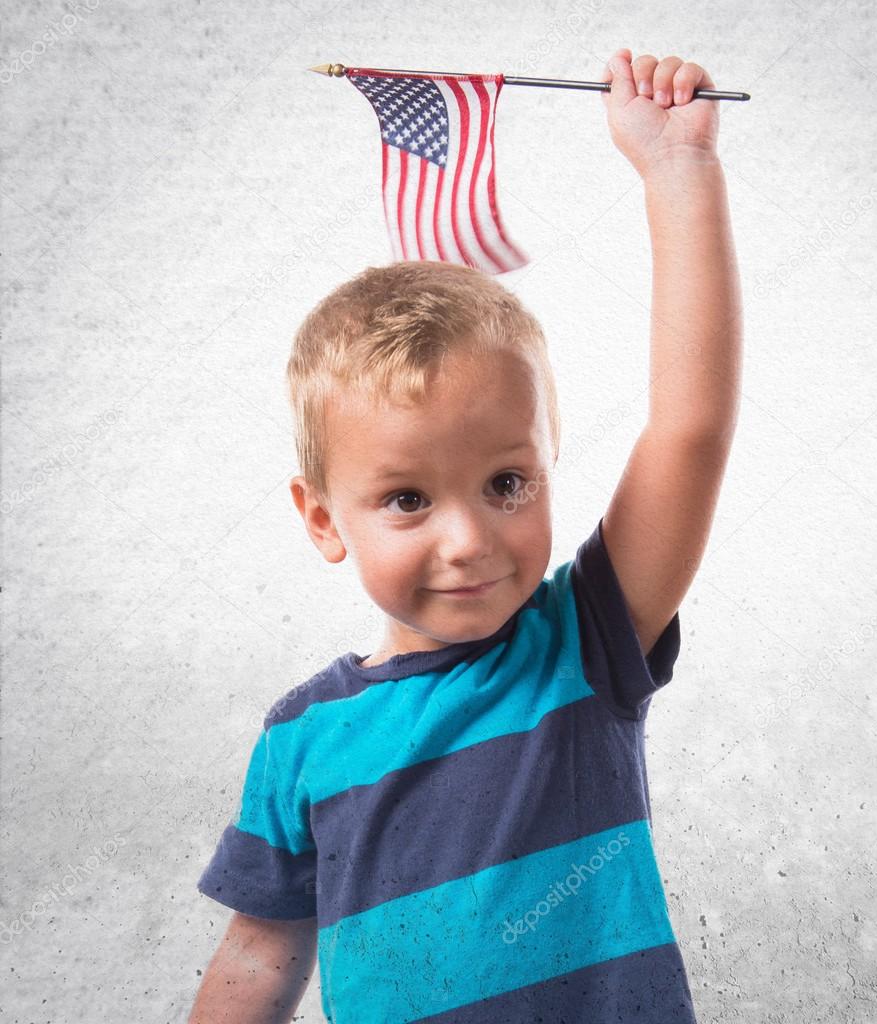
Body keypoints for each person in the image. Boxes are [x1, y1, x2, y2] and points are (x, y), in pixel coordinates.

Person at [189, 46, 741, 1024]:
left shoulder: (583, 644)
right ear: (323, 518)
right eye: (407, 498)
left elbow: (689, 428)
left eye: (505, 482)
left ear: (548, 461)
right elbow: (259, 955)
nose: (469, 538)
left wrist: (678, 171)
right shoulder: (301, 737)